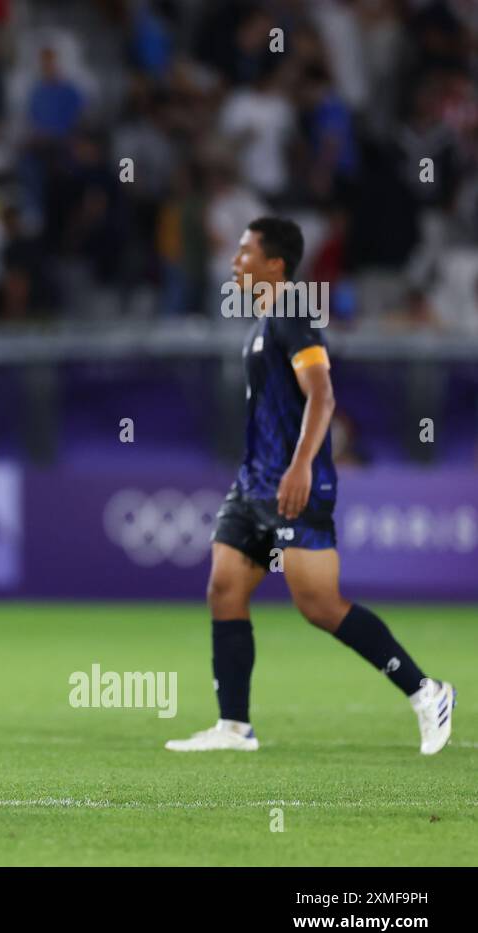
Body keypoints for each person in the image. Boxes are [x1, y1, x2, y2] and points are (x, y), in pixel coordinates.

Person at [166, 217, 455, 754]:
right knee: (225, 589)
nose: (235, 262)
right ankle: (234, 727)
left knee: (319, 605)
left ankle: (427, 690)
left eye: (245, 252)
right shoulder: (263, 321)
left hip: (296, 485)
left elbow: (322, 395)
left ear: (275, 264)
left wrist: (300, 467)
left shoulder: (294, 312)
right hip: (253, 485)